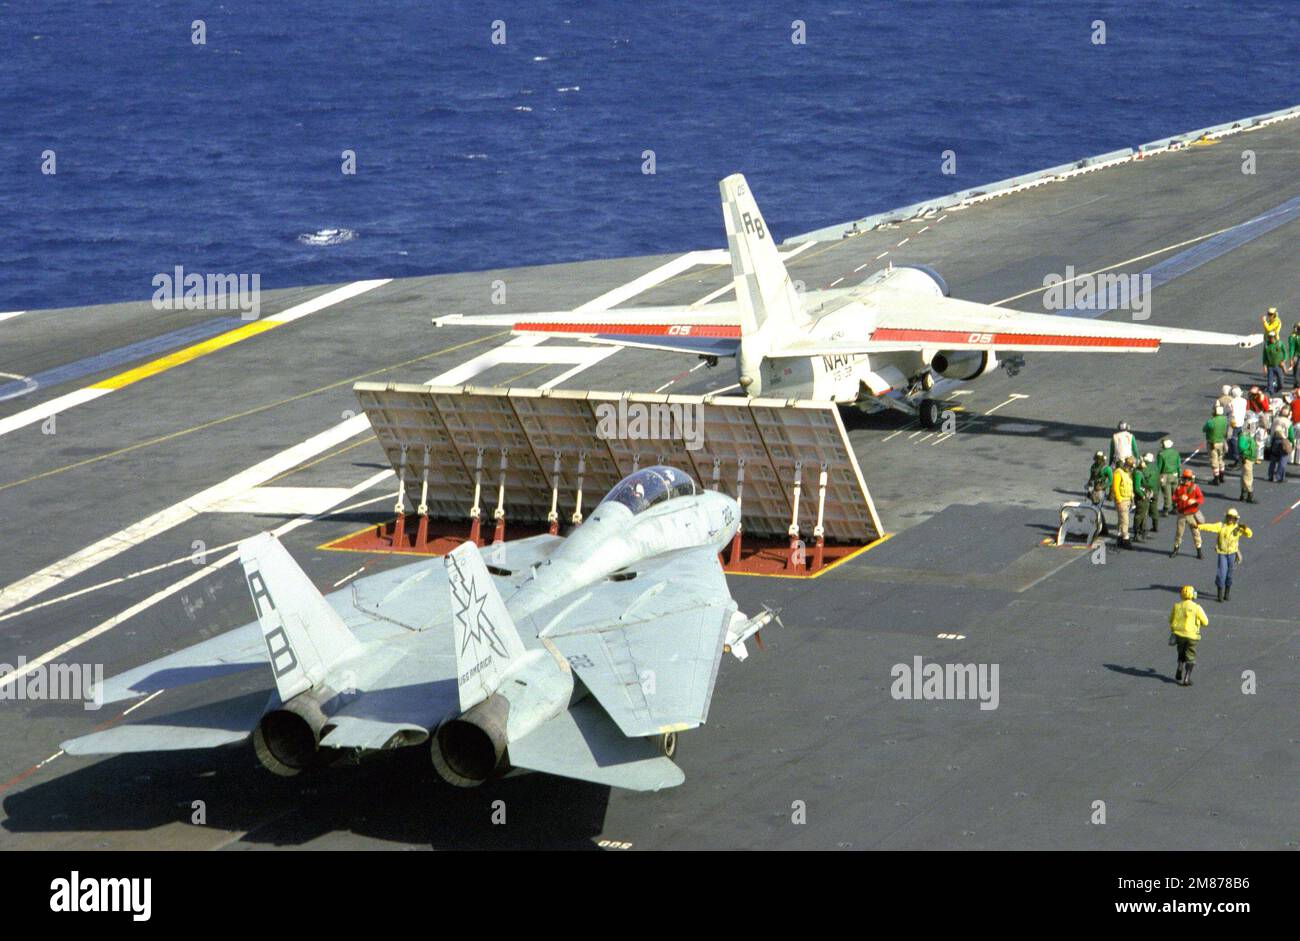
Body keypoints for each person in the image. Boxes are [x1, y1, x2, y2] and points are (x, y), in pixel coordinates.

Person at [1199, 508, 1252, 602]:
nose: (1230, 519)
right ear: (1226, 517)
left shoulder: (1238, 528)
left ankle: (1226, 594)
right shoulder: (1221, 526)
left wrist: (1245, 528)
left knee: (1229, 574)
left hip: (1232, 554)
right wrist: (1198, 526)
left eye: (1232, 518)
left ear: (1236, 519)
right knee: (1221, 574)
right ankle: (1220, 595)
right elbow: (1210, 526)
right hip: (1222, 554)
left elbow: (1249, 535)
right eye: (1229, 517)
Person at [1169, 585, 1208, 686]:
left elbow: (1170, 620)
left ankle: (1180, 666)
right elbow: (1206, 622)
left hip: (1179, 635)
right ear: (1193, 595)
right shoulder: (1197, 607)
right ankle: (1187, 678)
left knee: (1181, 651)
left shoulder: (1176, 606)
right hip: (1192, 636)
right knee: (1190, 656)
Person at [1169, 469, 1205, 559]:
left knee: (1196, 533)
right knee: (1179, 533)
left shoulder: (1195, 488)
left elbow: (1201, 499)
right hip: (1181, 514)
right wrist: (1179, 497)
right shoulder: (1179, 487)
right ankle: (1175, 549)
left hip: (1191, 514)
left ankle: (1199, 551)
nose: (1186, 480)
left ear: (1191, 479)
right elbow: (1173, 498)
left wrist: (1194, 501)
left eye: (1188, 478)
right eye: (1185, 478)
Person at [1133, 453, 1157, 539]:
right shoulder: (1138, 473)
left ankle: (1142, 531)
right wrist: (1142, 495)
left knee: (1144, 515)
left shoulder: (1140, 472)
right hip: (1141, 497)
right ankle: (1136, 533)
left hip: (1145, 495)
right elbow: (1136, 487)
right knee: (1139, 515)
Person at [1111, 457, 1134, 548]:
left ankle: (1119, 536)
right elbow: (1115, 487)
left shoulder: (1128, 473)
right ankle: (1125, 538)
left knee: (1121, 519)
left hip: (1127, 499)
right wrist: (1119, 499)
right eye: (1129, 466)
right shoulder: (1118, 472)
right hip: (1121, 500)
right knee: (1125, 520)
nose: (1130, 468)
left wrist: (1131, 497)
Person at [1203, 404, 1228, 485]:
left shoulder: (1211, 421)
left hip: (1212, 443)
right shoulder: (1225, 419)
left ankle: (1216, 479)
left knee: (1214, 461)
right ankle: (1222, 477)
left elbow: (1204, 429)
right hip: (1222, 442)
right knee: (1221, 459)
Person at [1155, 438, 1180, 516]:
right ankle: (1175, 507)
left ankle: (1166, 509)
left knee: (1167, 494)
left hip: (1165, 475)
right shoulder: (1176, 453)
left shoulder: (1161, 454)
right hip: (1175, 475)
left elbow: (1159, 467)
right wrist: (1179, 475)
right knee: (1175, 493)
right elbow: (1178, 465)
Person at [1266, 414, 1294, 482]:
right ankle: (1279, 477)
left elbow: (1271, 431)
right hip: (1284, 441)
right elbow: (1290, 435)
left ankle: (1270, 475)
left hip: (1275, 440)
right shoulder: (1288, 422)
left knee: (1273, 459)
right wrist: (1292, 443)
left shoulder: (1275, 420)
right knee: (1283, 459)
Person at [1237, 423, 1257, 502]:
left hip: (1248, 459)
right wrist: (1246, 450)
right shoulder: (1244, 436)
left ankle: (1243, 494)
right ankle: (1250, 495)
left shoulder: (1245, 436)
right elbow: (1241, 447)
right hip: (1247, 459)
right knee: (1248, 477)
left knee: (1244, 476)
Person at [1227, 386, 1246, 465]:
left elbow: (1227, 412)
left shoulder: (1231, 402)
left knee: (1232, 440)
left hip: (1234, 423)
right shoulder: (1244, 401)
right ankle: (1242, 454)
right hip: (1242, 422)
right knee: (1241, 439)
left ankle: (1237, 458)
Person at [1288, 323, 1300, 389]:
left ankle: (1297, 384)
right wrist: (1291, 359)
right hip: (1296, 354)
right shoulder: (1293, 337)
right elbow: (1291, 349)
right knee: (1296, 369)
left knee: (1297, 369)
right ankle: (1296, 384)